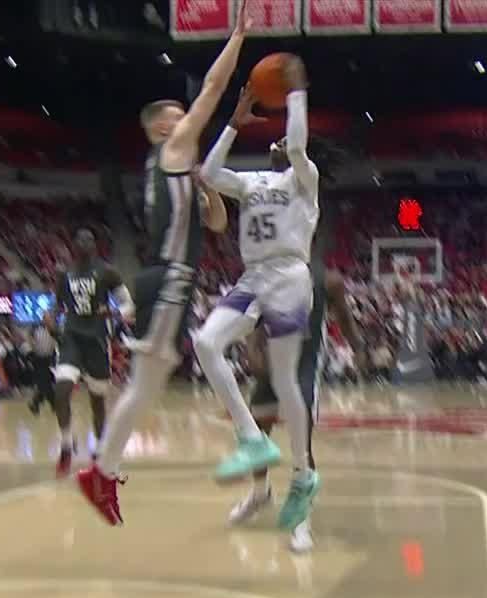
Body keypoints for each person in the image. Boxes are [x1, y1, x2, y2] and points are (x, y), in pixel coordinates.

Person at [75, 2, 246, 524]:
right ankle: (99, 472)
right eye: (175, 115)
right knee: (147, 382)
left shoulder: (175, 167)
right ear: (159, 129)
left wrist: (208, 193)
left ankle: (101, 471)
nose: (184, 119)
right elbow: (213, 93)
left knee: (151, 381)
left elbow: (216, 226)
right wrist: (237, 37)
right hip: (170, 277)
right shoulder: (172, 147)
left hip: (170, 276)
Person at [194, 57, 319, 531]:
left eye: (286, 141)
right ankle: (251, 438)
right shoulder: (252, 183)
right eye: (277, 140)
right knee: (205, 343)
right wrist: (232, 122)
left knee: (286, 383)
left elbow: (302, 144)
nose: (281, 143)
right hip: (252, 276)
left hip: (289, 275)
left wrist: (295, 92)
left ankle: (304, 475)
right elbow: (207, 173)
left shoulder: (304, 181)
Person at [229, 268, 364, 552]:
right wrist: (252, 352)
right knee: (255, 433)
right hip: (272, 359)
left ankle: (301, 520)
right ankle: (260, 493)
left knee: (301, 441)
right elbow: (255, 322)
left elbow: (345, 319)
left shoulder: (329, 280)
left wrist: (359, 350)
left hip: (304, 364)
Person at [49, 228, 133, 475]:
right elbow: (58, 305)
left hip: (97, 341)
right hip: (72, 338)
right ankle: (66, 445)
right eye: (80, 239)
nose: (85, 242)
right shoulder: (65, 274)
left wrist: (114, 312)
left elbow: (129, 305)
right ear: (74, 245)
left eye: (89, 239)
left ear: (95, 245)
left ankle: (99, 448)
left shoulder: (107, 272)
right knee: (61, 390)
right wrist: (51, 317)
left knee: (97, 400)